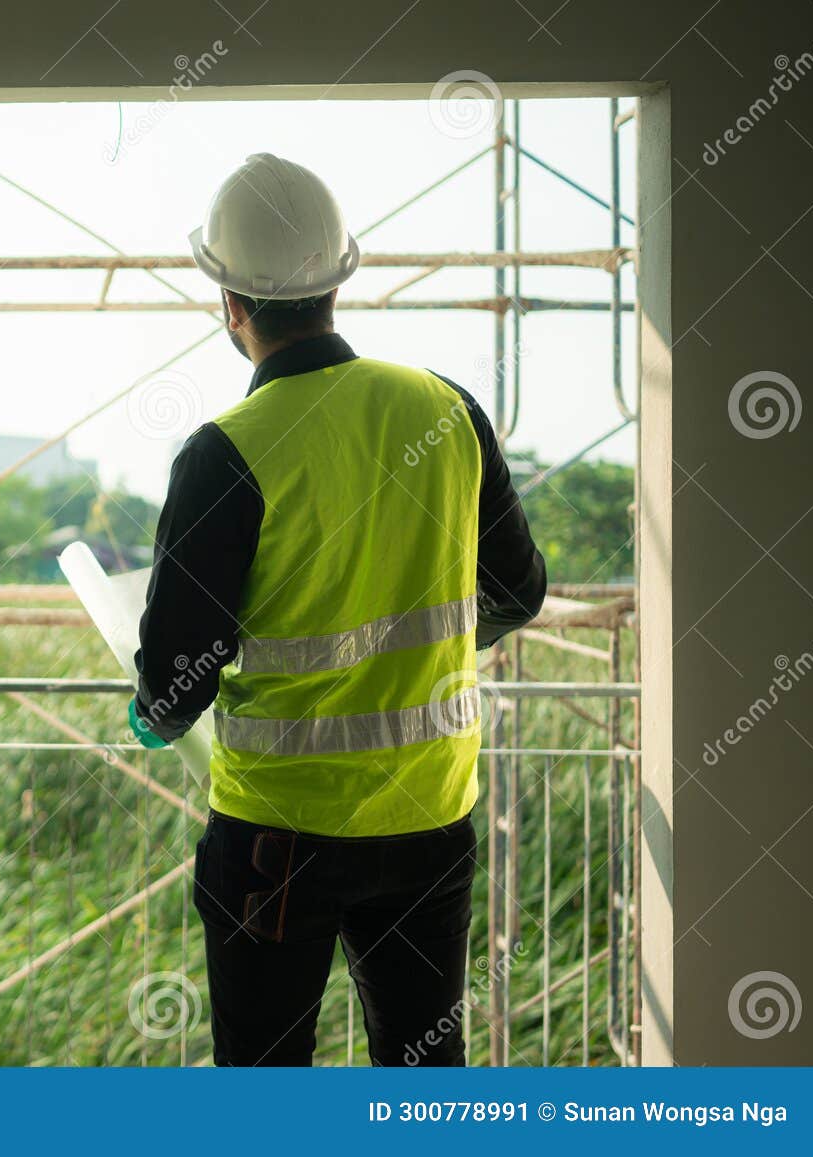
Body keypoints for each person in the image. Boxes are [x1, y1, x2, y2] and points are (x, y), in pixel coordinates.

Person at [127, 153, 546, 1067]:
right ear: (335, 284)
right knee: (423, 1069)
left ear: (230, 305)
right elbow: (518, 591)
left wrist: (153, 706)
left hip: (280, 840)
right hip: (429, 819)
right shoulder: (449, 410)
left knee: (269, 1076)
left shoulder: (224, 452)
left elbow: (168, 700)